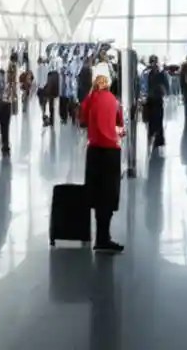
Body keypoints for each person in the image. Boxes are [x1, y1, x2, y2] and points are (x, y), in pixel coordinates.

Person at [79, 74, 125, 253]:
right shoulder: (114, 100)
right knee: (108, 194)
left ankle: (98, 236)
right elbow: (120, 126)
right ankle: (103, 237)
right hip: (111, 151)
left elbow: (82, 121)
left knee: (95, 194)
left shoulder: (90, 99)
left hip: (94, 151)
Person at [141, 54, 169, 152]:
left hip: (153, 99)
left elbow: (143, 86)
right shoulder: (155, 73)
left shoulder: (147, 73)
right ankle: (156, 138)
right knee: (154, 119)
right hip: (153, 99)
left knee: (155, 119)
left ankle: (155, 138)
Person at [35, 57, 55, 127]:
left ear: (38, 62)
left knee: (41, 104)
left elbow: (37, 80)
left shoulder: (38, 69)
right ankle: (45, 117)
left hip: (41, 89)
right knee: (45, 103)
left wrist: (39, 86)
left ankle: (44, 117)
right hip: (46, 88)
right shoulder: (47, 68)